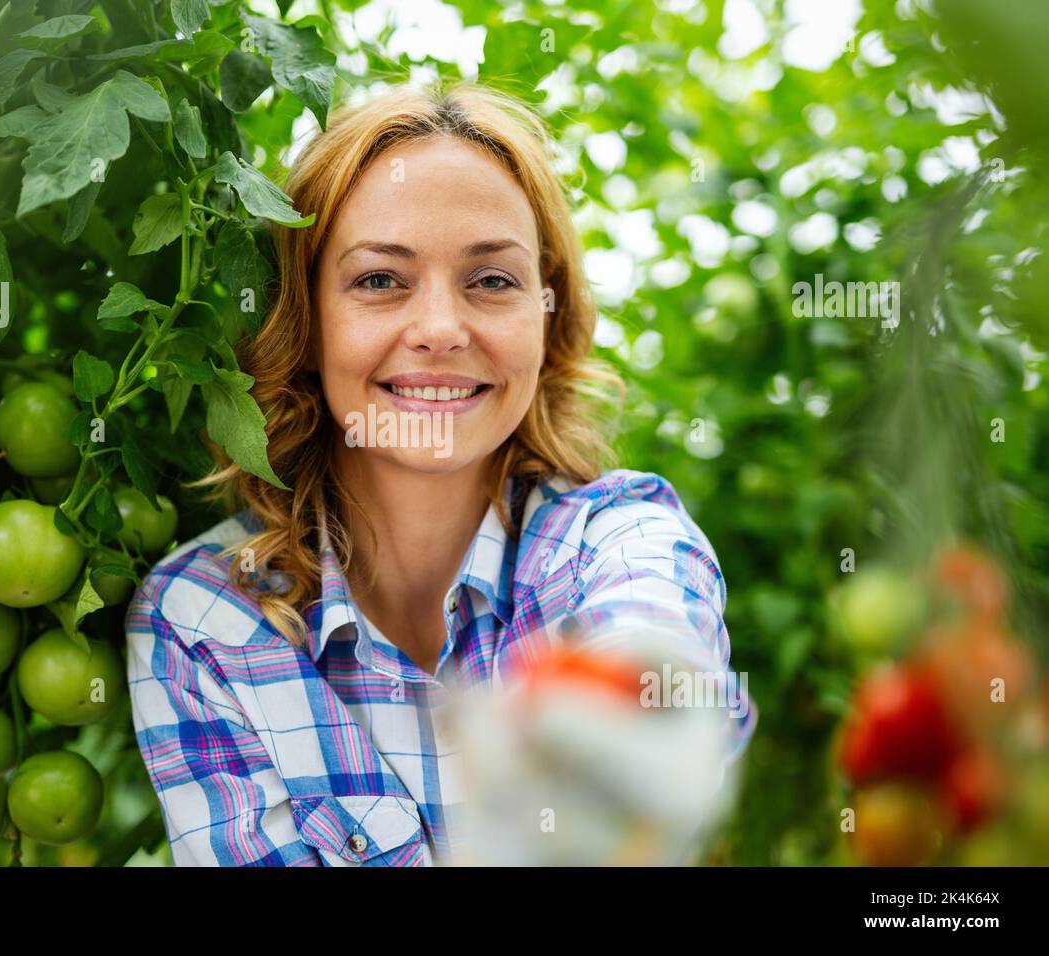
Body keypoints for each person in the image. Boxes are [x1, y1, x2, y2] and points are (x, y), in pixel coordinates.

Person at [125, 82, 756, 867]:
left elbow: (653, 651)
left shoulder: (619, 541)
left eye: (491, 280)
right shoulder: (208, 621)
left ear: (545, 313)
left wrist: (626, 735)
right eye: (380, 280)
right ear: (305, 320)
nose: (440, 331)